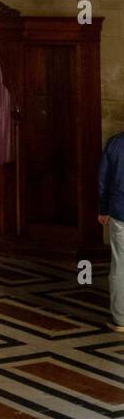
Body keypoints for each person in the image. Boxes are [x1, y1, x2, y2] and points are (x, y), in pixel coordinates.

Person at [98, 130, 124, 333]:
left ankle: (120, 318)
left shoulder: (114, 143)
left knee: (119, 264)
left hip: (119, 212)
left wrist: (103, 209)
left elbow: (103, 180)